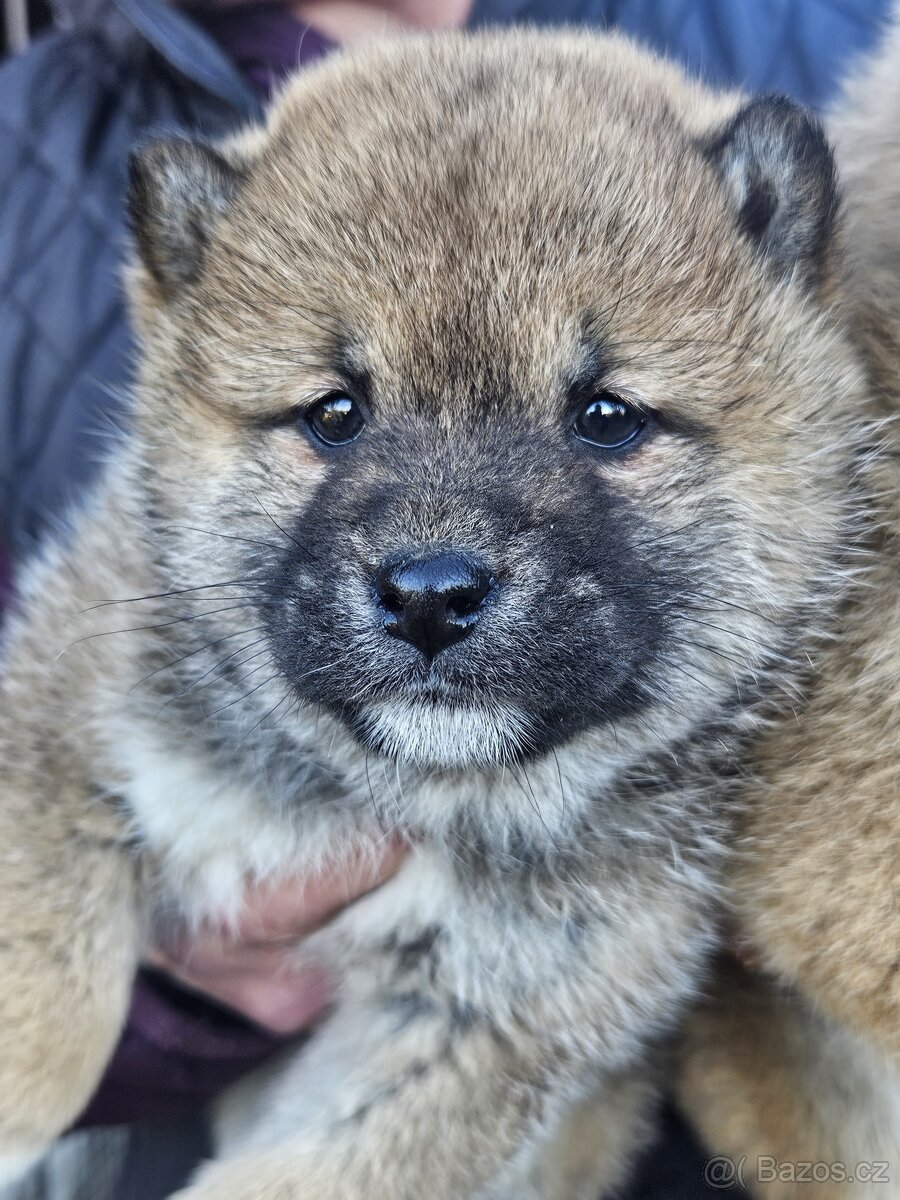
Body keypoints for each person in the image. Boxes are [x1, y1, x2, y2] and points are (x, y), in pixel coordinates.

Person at [0, 1, 890, 1197]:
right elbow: (38, 770)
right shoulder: (30, 147)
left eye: (608, 422)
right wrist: (144, 1006)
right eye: (332, 418)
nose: (432, 567)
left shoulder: (802, 33)